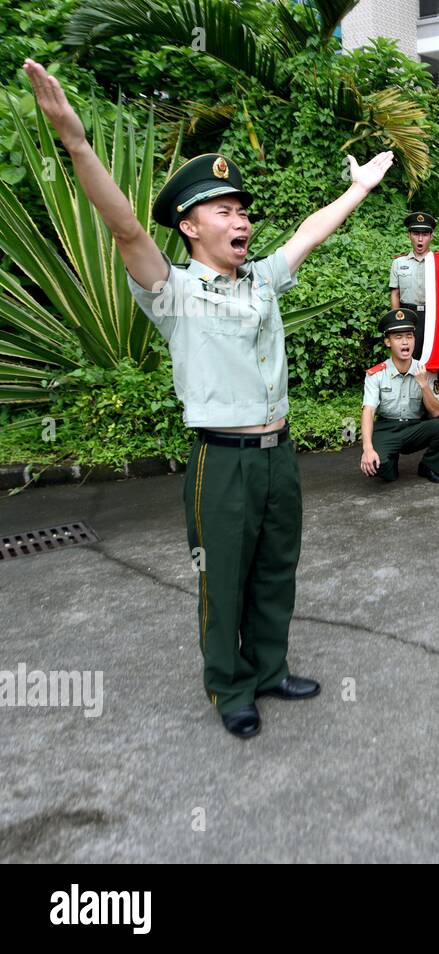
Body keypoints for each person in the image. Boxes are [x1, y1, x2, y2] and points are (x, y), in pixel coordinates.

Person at [23, 58, 395, 739]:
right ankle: (230, 687)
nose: (241, 218)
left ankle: (270, 666)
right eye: (224, 210)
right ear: (192, 228)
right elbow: (128, 229)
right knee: (223, 577)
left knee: (276, 568)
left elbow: (311, 231)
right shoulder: (173, 291)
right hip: (221, 462)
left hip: (280, 454)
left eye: (243, 209)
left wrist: (360, 190)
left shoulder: (259, 281)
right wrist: (76, 143)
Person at [360, 309, 439, 483]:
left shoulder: (425, 370)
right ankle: (389, 459)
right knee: (379, 469)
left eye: (409, 336)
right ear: (388, 342)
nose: (405, 342)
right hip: (387, 429)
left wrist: (424, 384)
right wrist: (367, 449)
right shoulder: (376, 374)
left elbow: (436, 413)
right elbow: (368, 411)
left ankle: (429, 466)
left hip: (414, 428)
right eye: (398, 337)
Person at [389, 211, 435, 357]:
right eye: (416, 233)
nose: (420, 239)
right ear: (409, 235)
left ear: (431, 236)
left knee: (431, 354)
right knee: (408, 354)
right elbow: (395, 293)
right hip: (408, 314)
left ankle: (433, 381)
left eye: (425, 234)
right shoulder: (398, 263)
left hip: (432, 315)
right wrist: (397, 319)